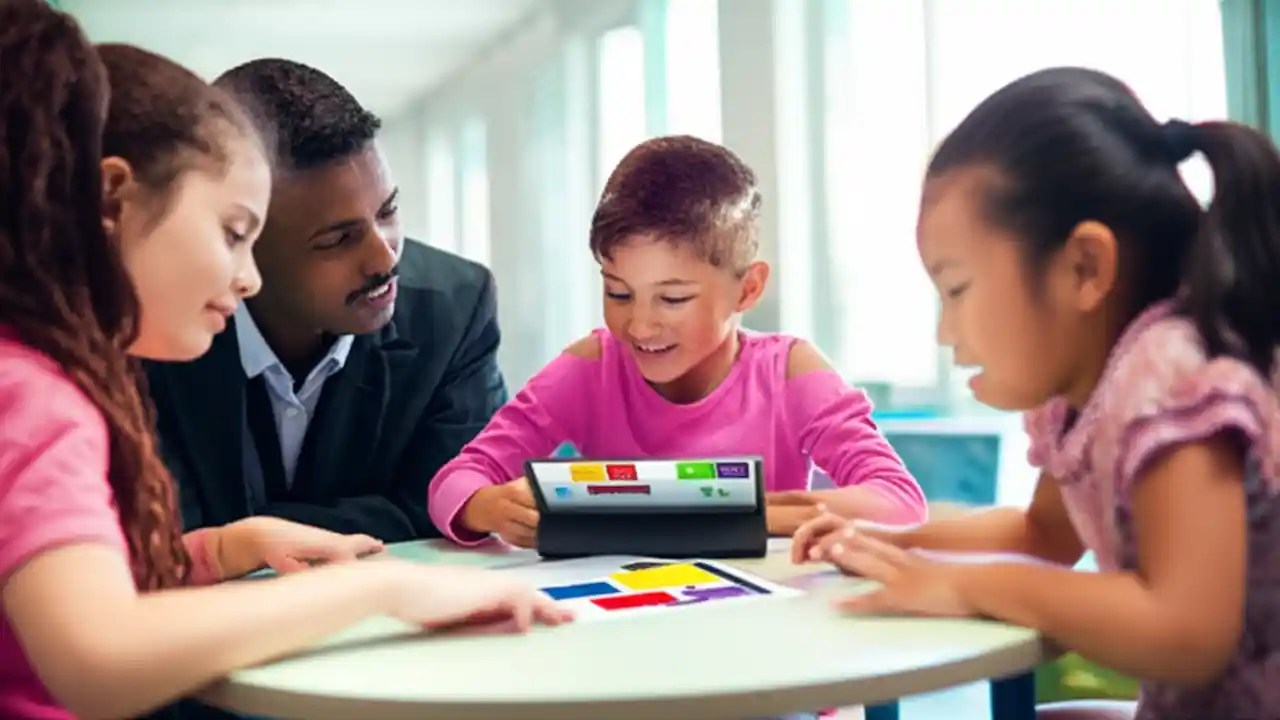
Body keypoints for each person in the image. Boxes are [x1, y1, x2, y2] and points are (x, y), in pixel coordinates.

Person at [0, 5, 567, 718]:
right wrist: (377, 588)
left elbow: (75, 579)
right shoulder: (37, 396)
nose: (246, 279)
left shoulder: (33, 372)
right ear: (114, 200)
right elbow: (98, 658)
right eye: (235, 233)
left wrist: (227, 546)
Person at [793, 66, 1280, 720]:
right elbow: (1042, 531)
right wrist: (889, 542)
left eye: (958, 290)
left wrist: (969, 586)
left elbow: (1190, 633)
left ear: (1084, 268)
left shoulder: (1166, 378)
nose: (945, 331)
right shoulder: (1084, 393)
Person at [429, 135, 926, 548]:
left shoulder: (789, 370)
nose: (640, 327)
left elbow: (899, 501)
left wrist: (732, 510)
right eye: (618, 292)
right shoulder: (592, 366)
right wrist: (487, 507)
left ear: (747, 289)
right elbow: (457, 479)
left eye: (673, 299)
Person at [145, 58, 507, 541]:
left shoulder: (454, 308)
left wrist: (239, 533)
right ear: (244, 241)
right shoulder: (152, 328)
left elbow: (449, 508)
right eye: (338, 239)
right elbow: (156, 536)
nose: (384, 259)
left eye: (388, 211)